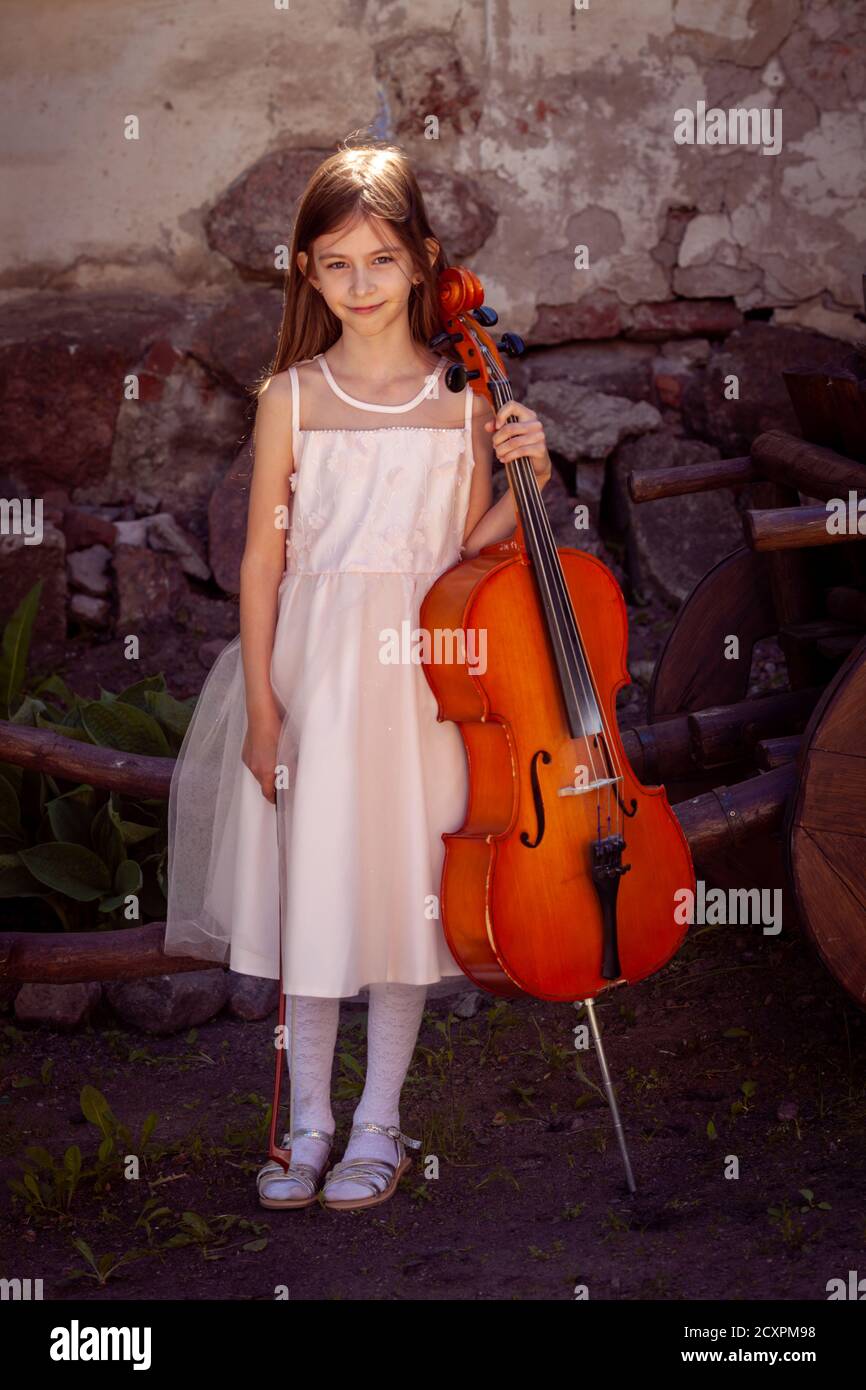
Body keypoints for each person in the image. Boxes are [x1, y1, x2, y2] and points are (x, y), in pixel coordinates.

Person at [164, 133, 552, 1211]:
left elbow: (470, 556)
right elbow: (260, 557)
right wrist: (262, 703)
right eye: (335, 263)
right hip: (317, 675)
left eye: (380, 260)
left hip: (423, 680)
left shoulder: (463, 398)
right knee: (316, 891)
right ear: (305, 272)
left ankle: (378, 1118)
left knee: (396, 894)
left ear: (424, 261)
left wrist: (529, 475)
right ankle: (307, 1122)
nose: (360, 284)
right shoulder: (291, 395)